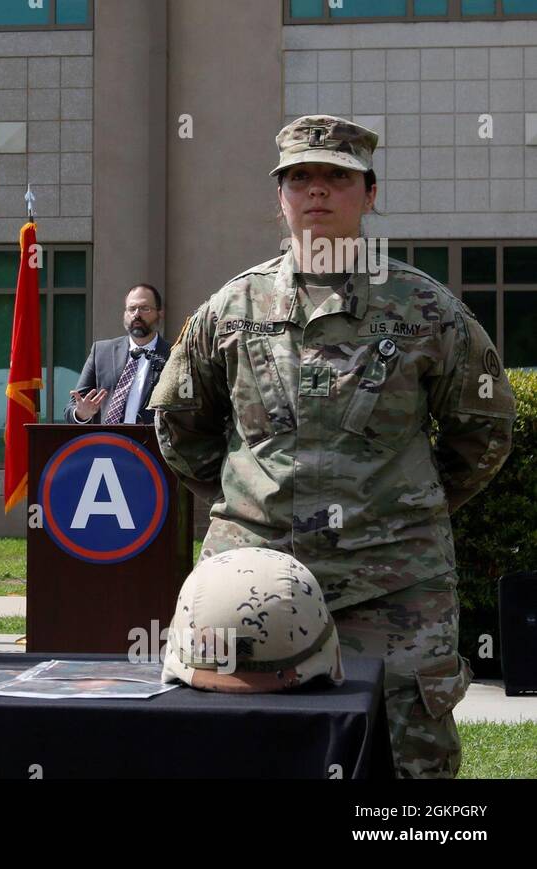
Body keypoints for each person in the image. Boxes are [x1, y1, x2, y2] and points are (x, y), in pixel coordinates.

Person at [148, 114, 516, 778]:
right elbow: (180, 425)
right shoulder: (231, 309)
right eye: (299, 178)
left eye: (336, 178)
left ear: (369, 194)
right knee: (236, 754)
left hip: (394, 584)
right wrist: (252, 502)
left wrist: (406, 509)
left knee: (409, 764)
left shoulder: (425, 311)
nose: (316, 192)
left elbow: (483, 430)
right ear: (279, 196)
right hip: (251, 580)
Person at [65, 284, 170, 424]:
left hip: (149, 443)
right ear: (125, 313)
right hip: (108, 442)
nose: (137, 314)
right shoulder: (101, 352)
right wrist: (81, 413)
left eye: (145, 308)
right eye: (132, 309)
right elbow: (72, 408)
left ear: (160, 313)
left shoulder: (173, 355)